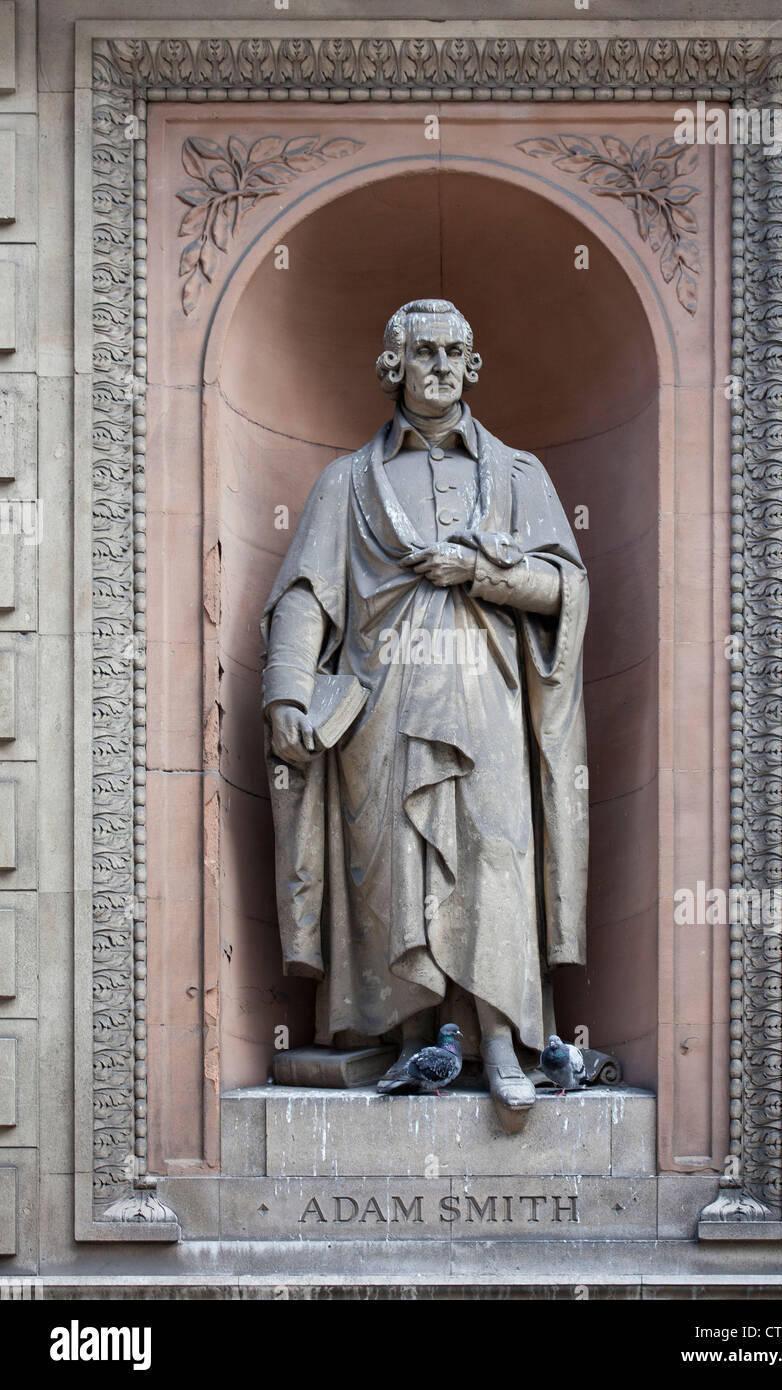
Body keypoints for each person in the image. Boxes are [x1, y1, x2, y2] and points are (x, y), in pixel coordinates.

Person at [261, 298, 589, 1120]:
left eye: (454, 352)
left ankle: (505, 1043)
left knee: (496, 854)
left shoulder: (519, 476)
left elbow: (566, 588)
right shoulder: (347, 482)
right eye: (424, 352)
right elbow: (305, 594)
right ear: (394, 366)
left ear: (472, 365)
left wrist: (481, 572)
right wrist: (287, 691)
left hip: (487, 701)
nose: (440, 365)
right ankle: (410, 1040)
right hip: (383, 705)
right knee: (394, 870)